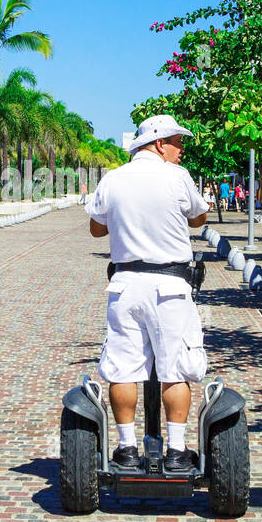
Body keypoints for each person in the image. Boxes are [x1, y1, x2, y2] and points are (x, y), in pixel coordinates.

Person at [86, 114, 208, 473]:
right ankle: (175, 450)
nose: (181, 150)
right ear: (158, 143)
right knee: (175, 370)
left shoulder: (113, 178)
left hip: (125, 287)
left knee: (123, 370)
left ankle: (125, 449)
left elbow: (96, 229)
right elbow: (199, 218)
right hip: (169, 286)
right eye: (178, 142)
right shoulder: (177, 177)